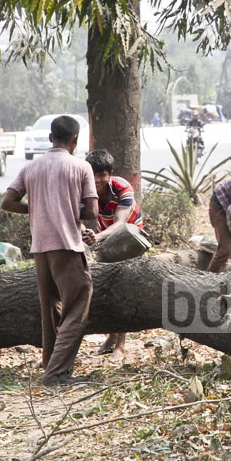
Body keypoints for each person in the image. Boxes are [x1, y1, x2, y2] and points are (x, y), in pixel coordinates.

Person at [0, 115, 98, 386]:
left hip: (40, 249)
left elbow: (7, 202)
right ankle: (55, 374)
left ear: (50, 138)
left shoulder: (31, 168)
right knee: (77, 308)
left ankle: (51, 365)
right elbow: (91, 211)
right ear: (75, 140)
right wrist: (64, 210)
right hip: (67, 245)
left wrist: (39, 207)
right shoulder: (80, 167)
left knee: (50, 310)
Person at [82, 149, 145, 357]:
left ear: (109, 174)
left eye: (102, 175)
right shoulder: (84, 188)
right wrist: (85, 233)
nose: (97, 179)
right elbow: (76, 216)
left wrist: (97, 238)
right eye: (93, 175)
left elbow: (120, 223)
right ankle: (111, 335)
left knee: (123, 287)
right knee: (105, 287)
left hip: (130, 238)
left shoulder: (122, 188)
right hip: (105, 237)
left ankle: (121, 344)